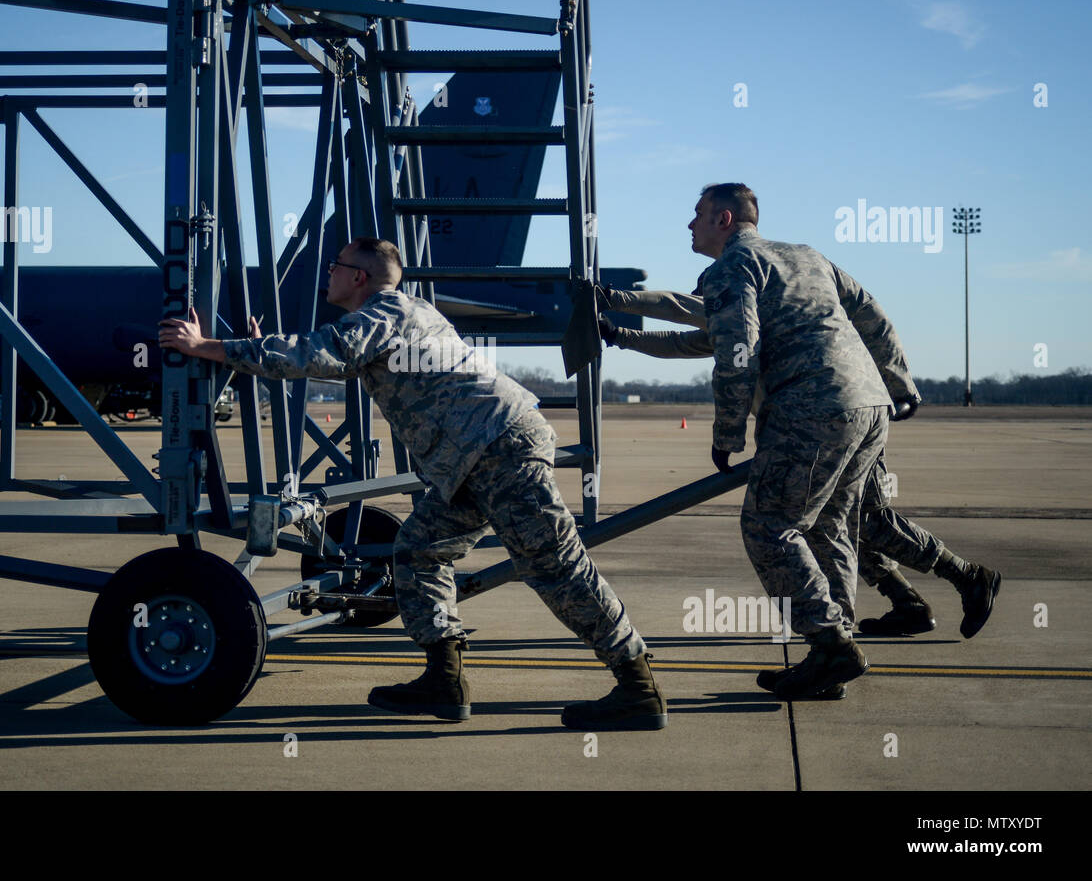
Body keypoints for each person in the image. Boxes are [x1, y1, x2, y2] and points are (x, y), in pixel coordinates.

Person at [158, 236, 666, 730]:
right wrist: (250, 347)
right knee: (418, 551)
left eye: (336, 265)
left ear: (359, 277)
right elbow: (331, 357)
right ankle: (444, 681)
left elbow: (321, 353)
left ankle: (638, 687)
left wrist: (209, 346)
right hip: (470, 458)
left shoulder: (387, 314)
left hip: (496, 447)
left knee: (555, 565)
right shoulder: (398, 314)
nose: (328, 273)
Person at [596, 287, 1002, 642]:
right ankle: (905, 600)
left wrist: (616, 298)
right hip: (819, 428)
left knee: (867, 522)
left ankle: (967, 577)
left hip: (837, 422)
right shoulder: (735, 328)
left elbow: (677, 307)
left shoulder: (751, 308)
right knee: (841, 520)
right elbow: (680, 342)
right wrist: (620, 336)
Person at [687, 182, 915, 700]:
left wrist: (727, 432)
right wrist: (900, 383)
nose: (690, 224)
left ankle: (829, 643)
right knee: (828, 525)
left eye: (697, 214)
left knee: (769, 527)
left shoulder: (732, 267)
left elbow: (737, 351)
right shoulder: (806, 255)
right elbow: (870, 312)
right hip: (868, 404)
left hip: (809, 406)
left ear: (724, 219)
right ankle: (833, 655)